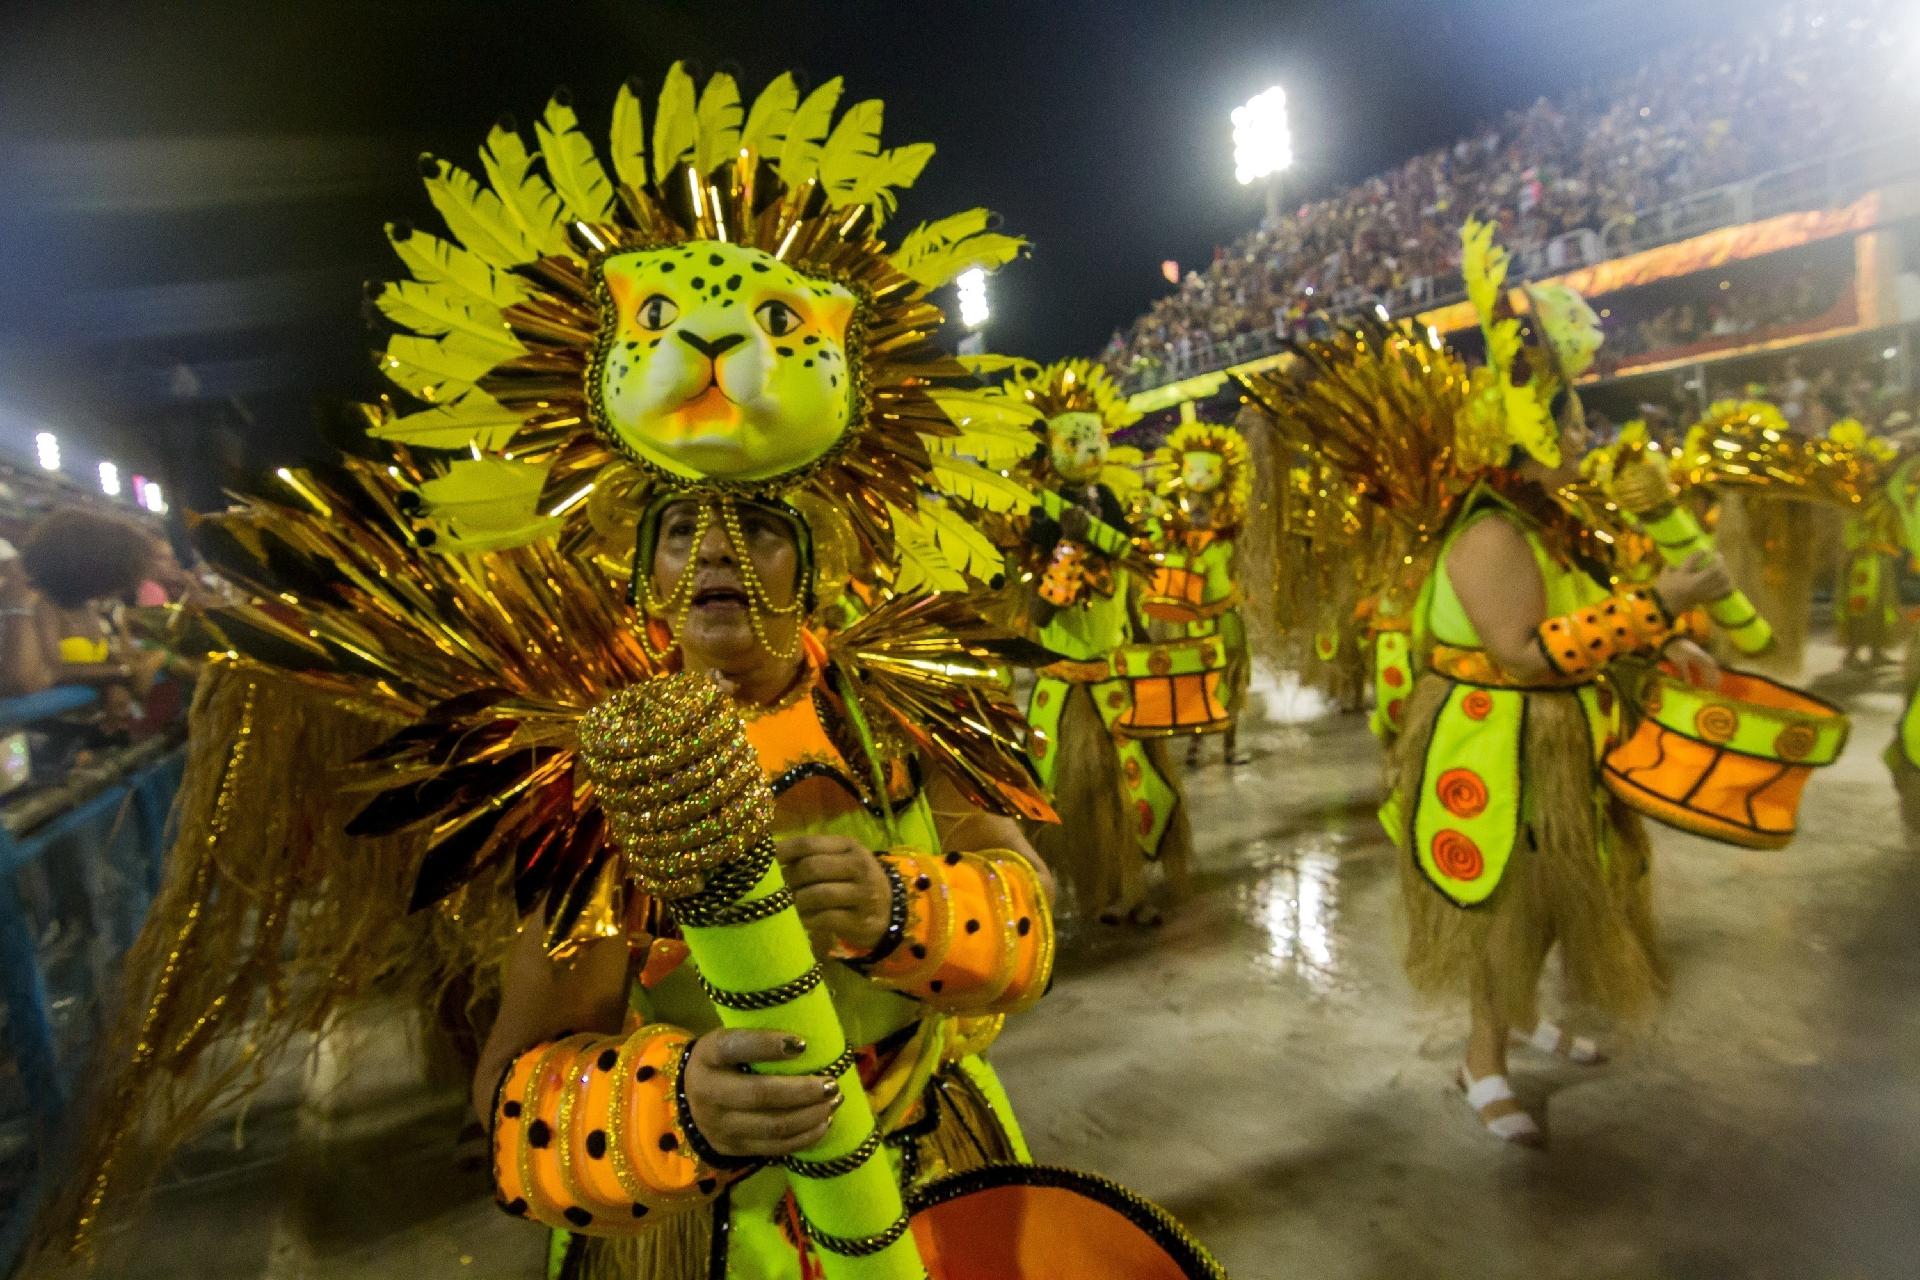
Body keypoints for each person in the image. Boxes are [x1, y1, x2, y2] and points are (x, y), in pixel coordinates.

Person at [475, 496, 1055, 1277]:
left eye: (757, 527)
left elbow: (1034, 920)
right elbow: (511, 1100)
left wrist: (907, 909)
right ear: (648, 571)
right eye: (682, 530)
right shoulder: (604, 765)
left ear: (817, 559)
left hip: (932, 1166)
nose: (716, 550)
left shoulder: (897, 706)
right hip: (710, 1234)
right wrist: (675, 1111)